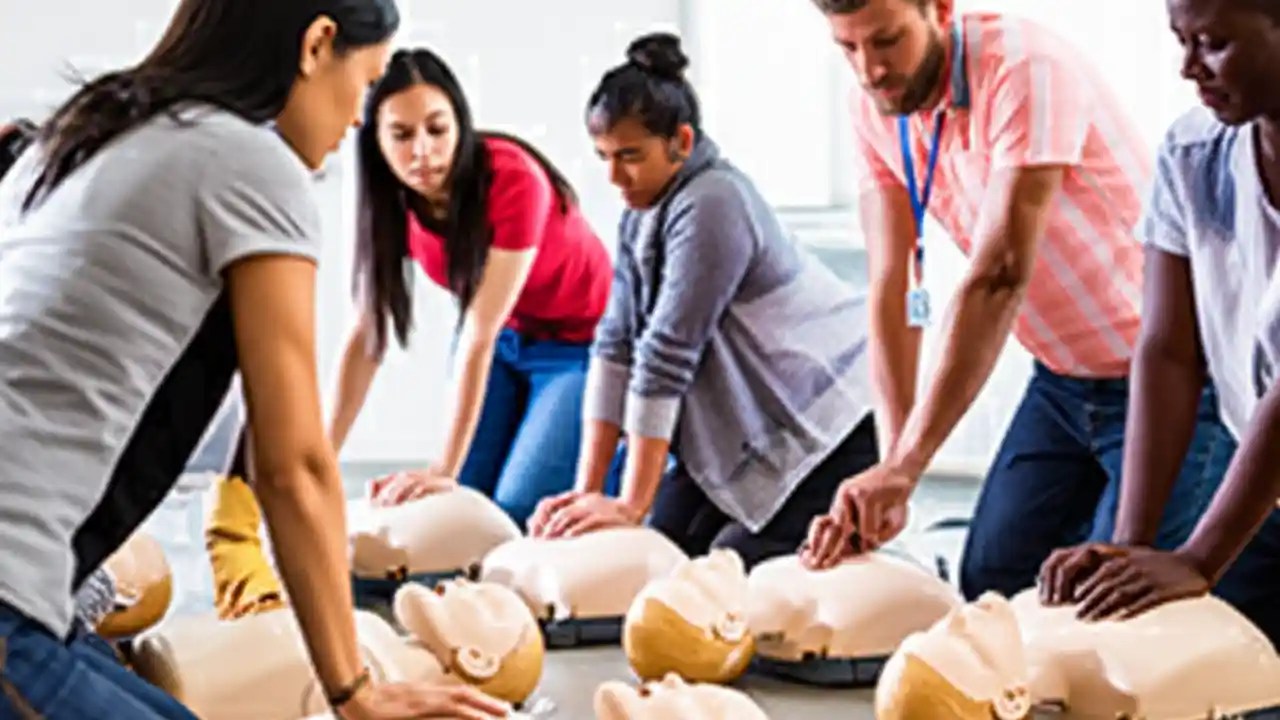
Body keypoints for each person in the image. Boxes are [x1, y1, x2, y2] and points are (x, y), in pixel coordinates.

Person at [0, 1, 509, 718]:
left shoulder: (98, 126)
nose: (358, 118)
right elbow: (292, 465)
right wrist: (354, 692)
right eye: (363, 85)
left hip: (34, 588)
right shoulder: (247, 161)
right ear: (316, 44)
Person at [798, 0, 1235, 601]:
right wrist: (892, 466)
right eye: (848, 48)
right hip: (1060, 383)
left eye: (887, 41)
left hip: (1170, 378)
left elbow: (999, 274)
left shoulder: (1024, 68)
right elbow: (893, 283)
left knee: (1109, 597)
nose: (870, 70)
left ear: (940, 10)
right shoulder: (875, 105)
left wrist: (907, 467)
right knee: (992, 581)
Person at [527, 33, 880, 570]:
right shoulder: (639, 211)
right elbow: (616, 345)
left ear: (682, 142)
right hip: (747, 426)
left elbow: (666, 353)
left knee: (729, 566)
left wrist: (630, 504)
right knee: (666, 552)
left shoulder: (714, 201)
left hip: (829, 428)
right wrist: (588, 490)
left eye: (630, 156)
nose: (615, 177)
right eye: (603, 158)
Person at [1039, 0, 1280, 650]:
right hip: (1266, 471)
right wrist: (1129, 542)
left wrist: (1199, 557)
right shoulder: (1193, 151)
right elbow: (1171, 352)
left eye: (1214, 42)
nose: (1189, 68)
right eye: (1182, 41)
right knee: (1224, 662)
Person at [326, 47, 615, 529]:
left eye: (437, 130)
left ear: (460, 124)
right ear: (374, 138)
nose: (422, 151)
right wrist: (319, 460)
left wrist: (442, 467)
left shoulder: (513, 178)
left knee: (515, 508)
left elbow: (478, 332)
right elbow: (366, 333)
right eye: (401, 135)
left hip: (582, 346)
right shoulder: (389, 200)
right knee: (462, 500)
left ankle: (619, 457)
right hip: (506, 341)